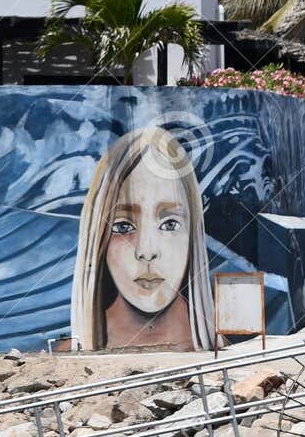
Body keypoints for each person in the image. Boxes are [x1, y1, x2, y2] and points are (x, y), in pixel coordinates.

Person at [71, 126, 216, 352]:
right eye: (123, 226)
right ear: (98, 240)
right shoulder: (66, 354)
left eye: (170, 224)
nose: (147, 251)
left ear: (192, 236)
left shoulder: (225, 348)